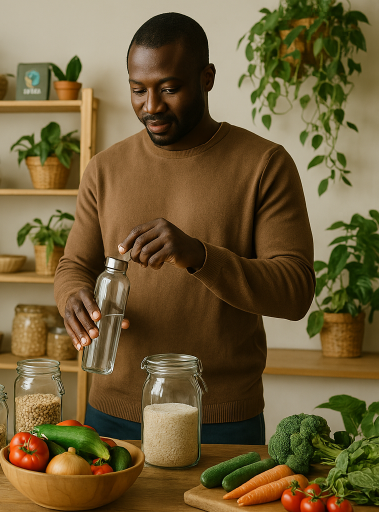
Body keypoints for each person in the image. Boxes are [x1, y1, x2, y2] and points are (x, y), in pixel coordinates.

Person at [54, 12, 315, 445]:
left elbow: (295, 292)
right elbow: (73, 265)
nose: (151, 106)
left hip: (219, 418)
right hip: (112, 413)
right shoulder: (104, 169)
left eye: (169, 89)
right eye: (138, 90)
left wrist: (199, 255)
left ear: (207, 78)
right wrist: (72, 298)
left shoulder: (264, 165)